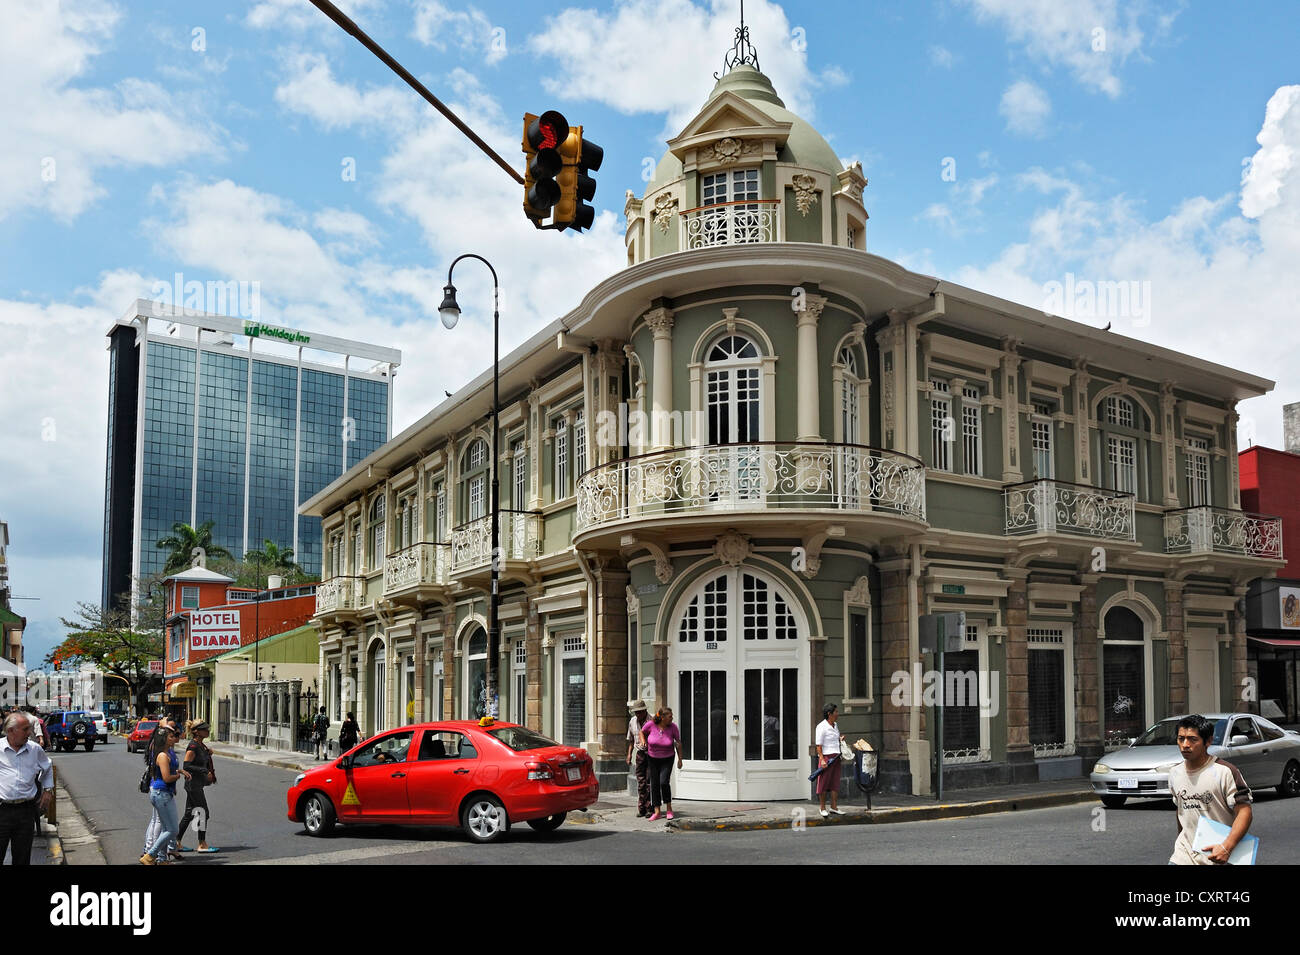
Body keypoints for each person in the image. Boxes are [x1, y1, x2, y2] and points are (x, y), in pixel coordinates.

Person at [1168, 714, 1253, 865]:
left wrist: (1227, 847)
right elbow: (1180, 811)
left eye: (1193, 739)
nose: (1185, 744)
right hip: (1183, 854)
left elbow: (1244, 812)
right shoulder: (1174, 773)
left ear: (1208, 741)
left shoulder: (1225, 771)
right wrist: (1181, 837)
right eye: (1181, 739)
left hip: (1217, 854)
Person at [0, 711, 54, 865]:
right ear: (11, 731)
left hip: (25, 811)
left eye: (29, 729)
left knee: (22, 858)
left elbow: (48, 767)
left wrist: (48, 790)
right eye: (25, 729)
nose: (29, 733)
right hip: (2, 810)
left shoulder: (34, 749)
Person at [141, 726, 190, 865]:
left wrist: (178, 771)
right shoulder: (162, 755)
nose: (173, 738)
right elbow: (167, 777)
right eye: (170, 736)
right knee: (173, 829)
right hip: (161, 794)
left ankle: (162, 859)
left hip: (165, 794)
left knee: (165, 828)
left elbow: (170, 770)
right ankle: (150, 855)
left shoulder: (168, 752)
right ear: (163, 739)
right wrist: (176, 776)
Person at [177, 721, 218, 854]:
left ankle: (176, 842)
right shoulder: (193, 746)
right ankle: (202, 844)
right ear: (197, 732)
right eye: (204, 729)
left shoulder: (201, 746)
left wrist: (208, 754)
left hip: (196, 784)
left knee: (189, 813)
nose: (207, 731)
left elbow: (200, 760)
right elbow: (187, 766)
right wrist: (204, 771)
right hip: (193, 785)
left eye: (207, 729)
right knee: (203, 812)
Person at [638, 707, 683, 822]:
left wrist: (680, 759)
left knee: (663, 782)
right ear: (662, 717)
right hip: (652, 758)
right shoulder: (651, 724)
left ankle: (669, 809)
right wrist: (643, 741)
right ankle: (657, 811)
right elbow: (641, 732)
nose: (672, 718)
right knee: (654, 784)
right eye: (670, 716)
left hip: (667, 758)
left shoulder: (673, 727)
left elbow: (678, 743)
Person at [814, 702, 846, 818]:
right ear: (829, 714)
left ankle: (834, 807)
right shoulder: (821, 727)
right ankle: (822, 807)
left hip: (836, 756)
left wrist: (840, 738)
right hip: (827, 757)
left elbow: (834, 739)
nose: (837, 714)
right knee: (823, 782)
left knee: (834, 782)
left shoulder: (835, 725)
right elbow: (819, 745)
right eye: (836, 712)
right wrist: (822, 759)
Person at [625, 699, 653, 817]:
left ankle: (649, 807)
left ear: (645, 710)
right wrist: (629, 754)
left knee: (649, 781)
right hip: (640, 753)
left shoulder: (652, 721)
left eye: (640, 712)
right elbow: (631, 740)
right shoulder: (632, 721)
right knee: (641, 781)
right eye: (636, 712)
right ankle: (641, 808)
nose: (638, 715)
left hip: (651, 754)